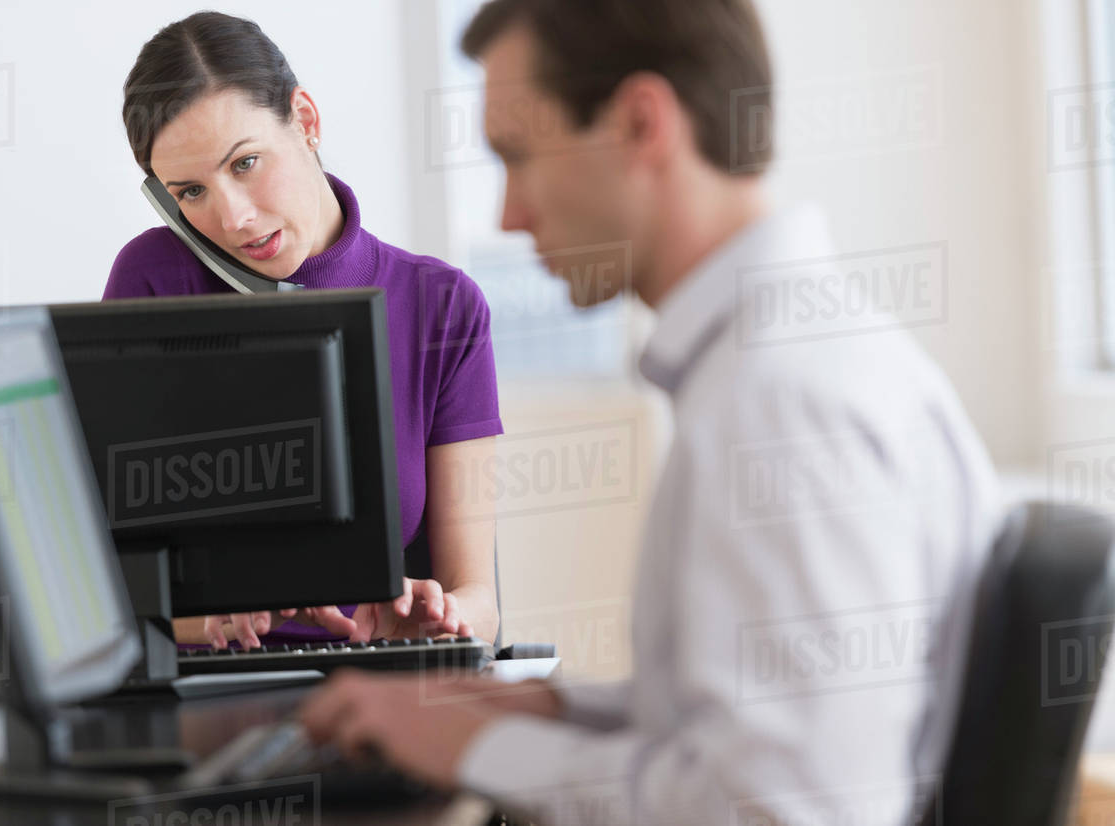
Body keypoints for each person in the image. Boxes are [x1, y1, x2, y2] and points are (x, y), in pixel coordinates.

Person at [298, 1, 1002, 824]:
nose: (508, 215)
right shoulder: (791, 358)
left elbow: (783, 810)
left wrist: (480, 751)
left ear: (641, 123)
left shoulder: (779, 403)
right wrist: (548, 711)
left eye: (519, 157)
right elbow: (740, 731)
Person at [106, 12, 502, 649]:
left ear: (306, 121)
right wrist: (208, 622)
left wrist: (441, 618)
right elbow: (110, 591)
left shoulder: (442, 305)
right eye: (191, 192)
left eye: (245, 163)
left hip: (372, 676)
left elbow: (478, 598)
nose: (233, 218)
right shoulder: (154, 280)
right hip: (209, 678)